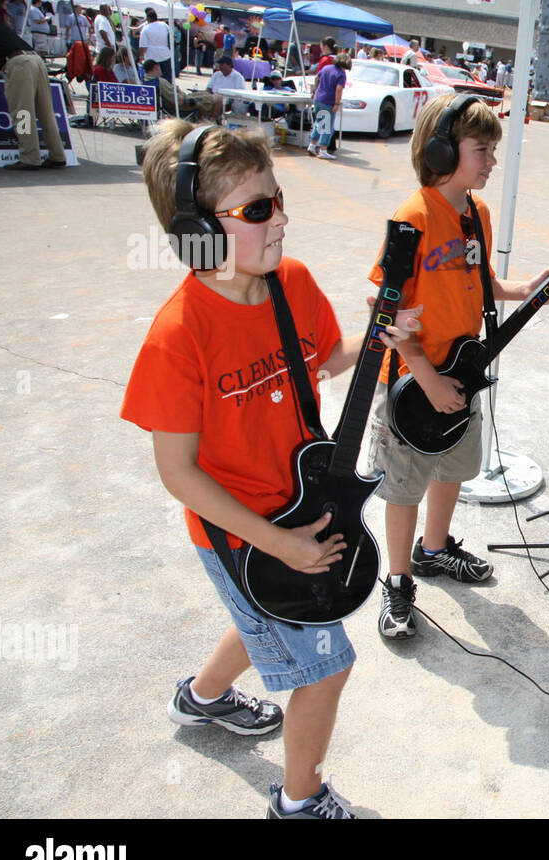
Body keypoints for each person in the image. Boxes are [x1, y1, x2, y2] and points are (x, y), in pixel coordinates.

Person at [121, 118, 420, 817]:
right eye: (259, 210)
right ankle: (300, 799)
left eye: (278, 198)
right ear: (198, 230)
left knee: (264, 616)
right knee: (327, 664)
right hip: (237, 534)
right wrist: (278, 542)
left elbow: (326, 357)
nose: (282, 216)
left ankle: (201, 697)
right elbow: (179, 473)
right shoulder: (178, 336)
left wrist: (383, 343)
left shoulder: (290, 282)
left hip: (300, 506)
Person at [368, 93, 549, 639]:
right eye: (482, 149)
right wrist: (426, 377)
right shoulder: (412, 218)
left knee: (454, 468)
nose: (492, 162)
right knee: (405, 485)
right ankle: (399, 580)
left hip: (460, 375)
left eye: (493, 150)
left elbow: (485, 286)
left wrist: (528, 289)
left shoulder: (475, 215)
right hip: (414, 383)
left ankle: (434, 550)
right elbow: (383, 312)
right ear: (439, 150)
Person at [0, 7, 67, 170]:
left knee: (23, 113)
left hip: (18, 64)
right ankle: (58, 155)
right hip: (35, 59)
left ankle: (30, 157)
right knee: (46, 112)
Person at [307, 51, 348, 160]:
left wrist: (315, 91)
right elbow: (339, 89)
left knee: (319, 123)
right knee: (327, 127)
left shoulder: (326, 68)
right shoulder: (341, 74)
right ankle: (323, 149)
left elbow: (317, 78)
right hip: (328, 102)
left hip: (318, 99)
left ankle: (312, 145)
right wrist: (336, 103)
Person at [139, 7, 175, 87]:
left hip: (152, 57)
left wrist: (141, 56)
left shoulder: (146, 29)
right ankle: (169, 91)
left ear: (148, 18)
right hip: (165, 54)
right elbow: (171, 38)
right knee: (167, 77)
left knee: (152, 78)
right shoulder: (164, 25)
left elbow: (143, 46)